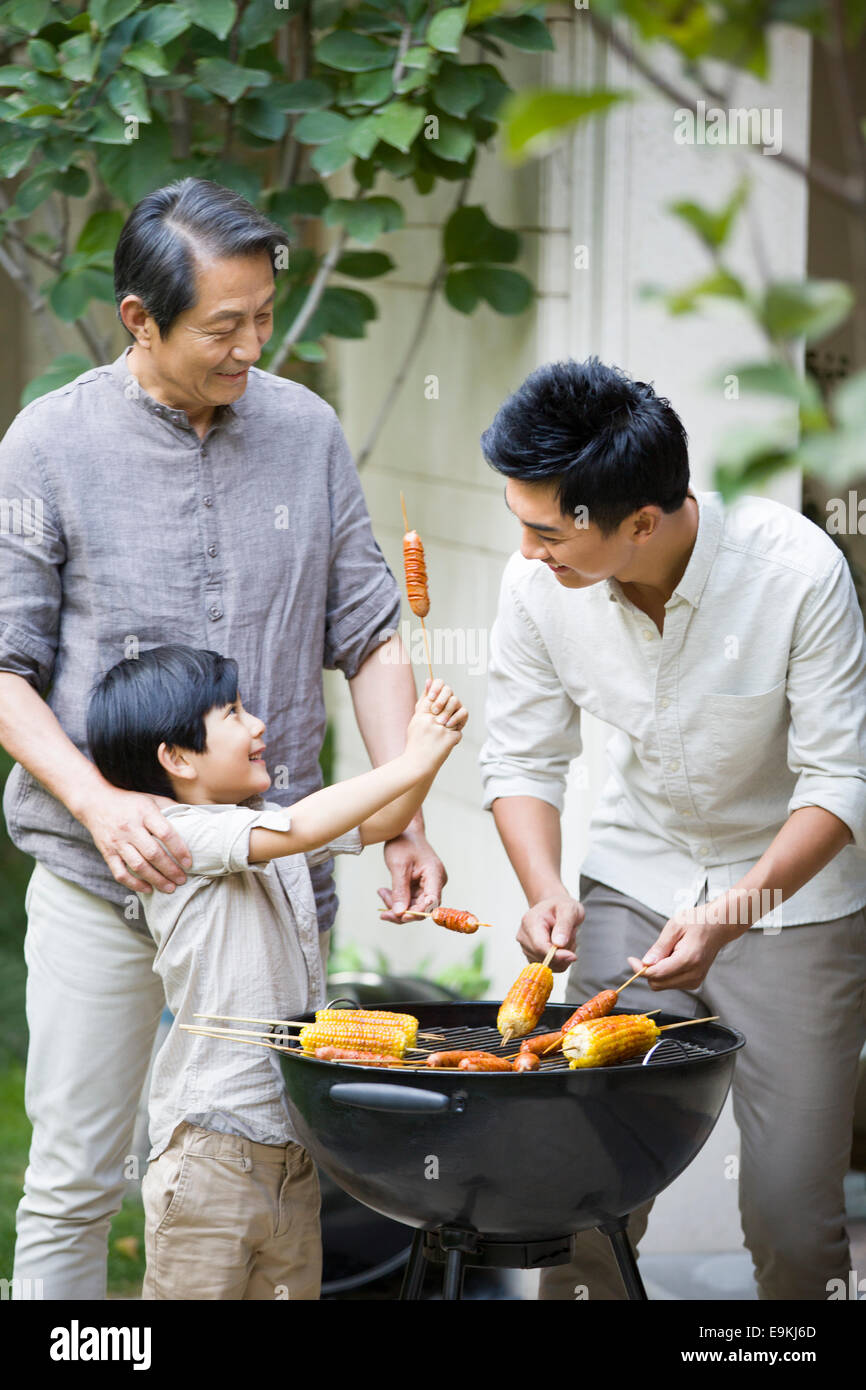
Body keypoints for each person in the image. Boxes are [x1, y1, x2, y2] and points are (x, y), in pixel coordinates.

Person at [0, 177, 445, 1300]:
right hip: (99, 878)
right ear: (138, 320)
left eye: (262, 315)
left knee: (263, 1163)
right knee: (74, 1181)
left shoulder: (304, 431)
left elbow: (367, 630)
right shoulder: (47, 445)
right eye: (223, 326)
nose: (253, 344)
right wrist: (102, 804)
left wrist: (404, 810)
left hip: (270, 896)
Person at [476, 357, 866, 1301]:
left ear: (641, 523)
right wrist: (544, 891)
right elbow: (522, 759)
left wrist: (728, 918)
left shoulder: (796, 572)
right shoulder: (536, 583)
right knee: (581, 1194)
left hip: (792, 904)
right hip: (637, 876)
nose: (528, 550)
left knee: (789, 1218)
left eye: (547, 530)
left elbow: (840, 784)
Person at [85, 645, 466, 1300]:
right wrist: (410, 759)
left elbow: (387, 818)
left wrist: (424, 759)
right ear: (175, 759)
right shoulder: (176, 833)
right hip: (211, 1149)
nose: (257, 724)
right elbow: (302, 826)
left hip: (289, 1152)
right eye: (232, 712)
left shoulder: (262, 826)